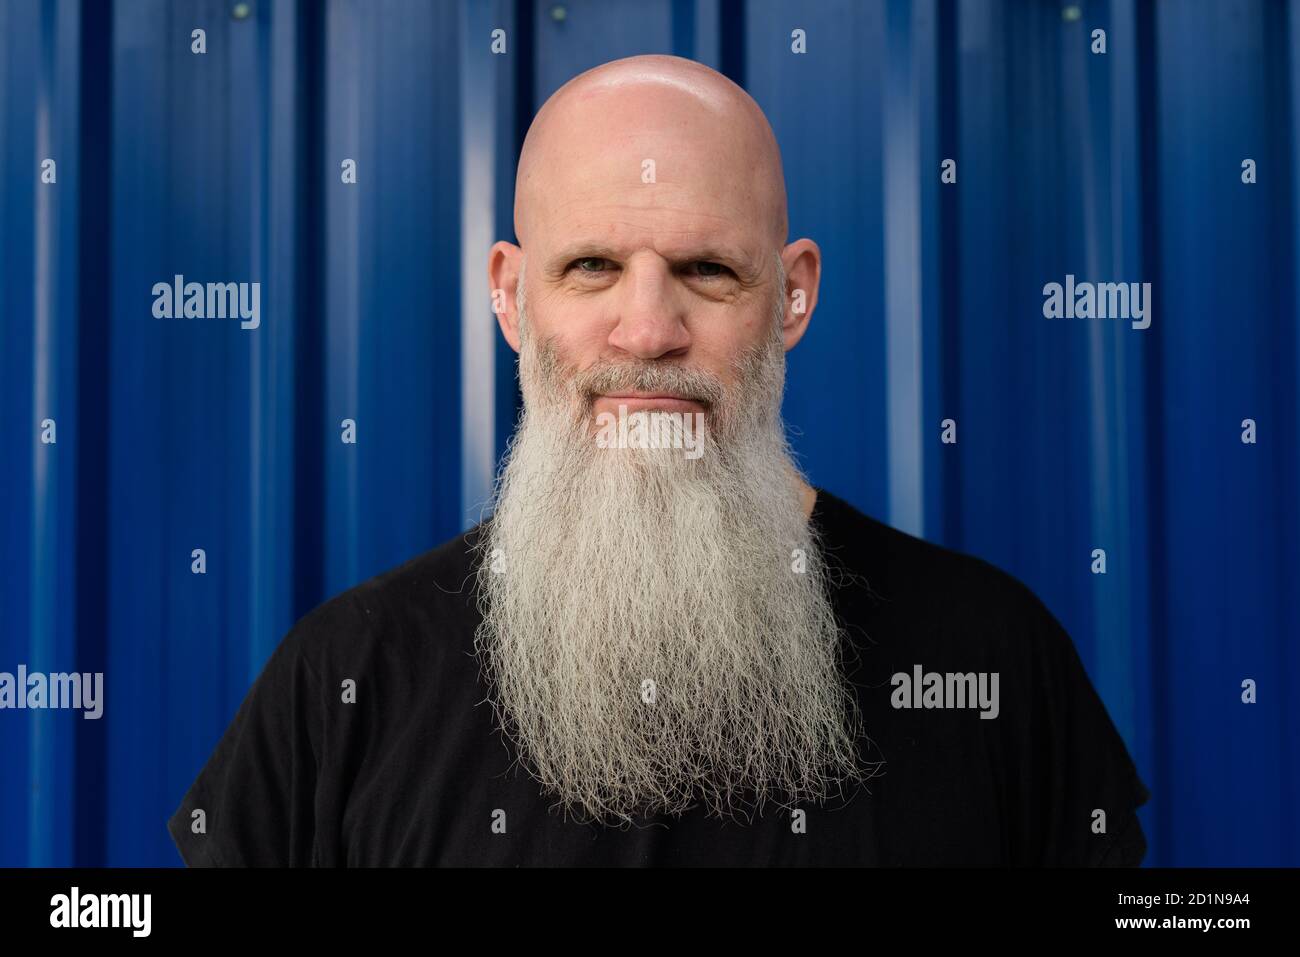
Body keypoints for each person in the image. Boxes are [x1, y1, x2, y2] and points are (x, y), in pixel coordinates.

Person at [167, 54, 1148, 866]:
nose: (645, 331)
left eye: (706, 271)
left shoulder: (990, 659)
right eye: (591, 266)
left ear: (792, 295)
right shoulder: (344, 683)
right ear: (511, 296)